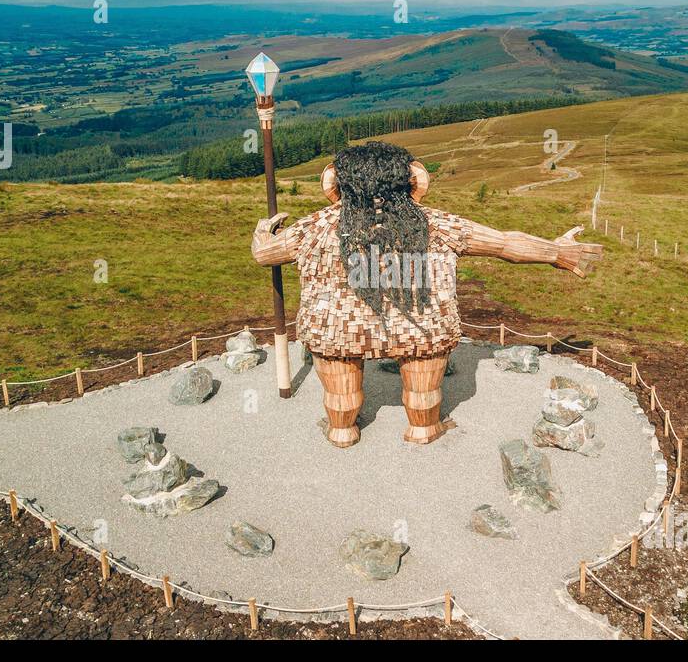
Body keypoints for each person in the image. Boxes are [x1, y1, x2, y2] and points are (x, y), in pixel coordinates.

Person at [251, 141, 601, 447]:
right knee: (423, 390)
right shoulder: (440, 225)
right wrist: (557, 252)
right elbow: (506, 243)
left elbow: (264, 255)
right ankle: (424, 429)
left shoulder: (312, 229)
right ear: (414, 180)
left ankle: (342, 431)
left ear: (335, 183)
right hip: (421, 328)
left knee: (340, 392)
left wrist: (263, 231)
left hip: (337, 331)